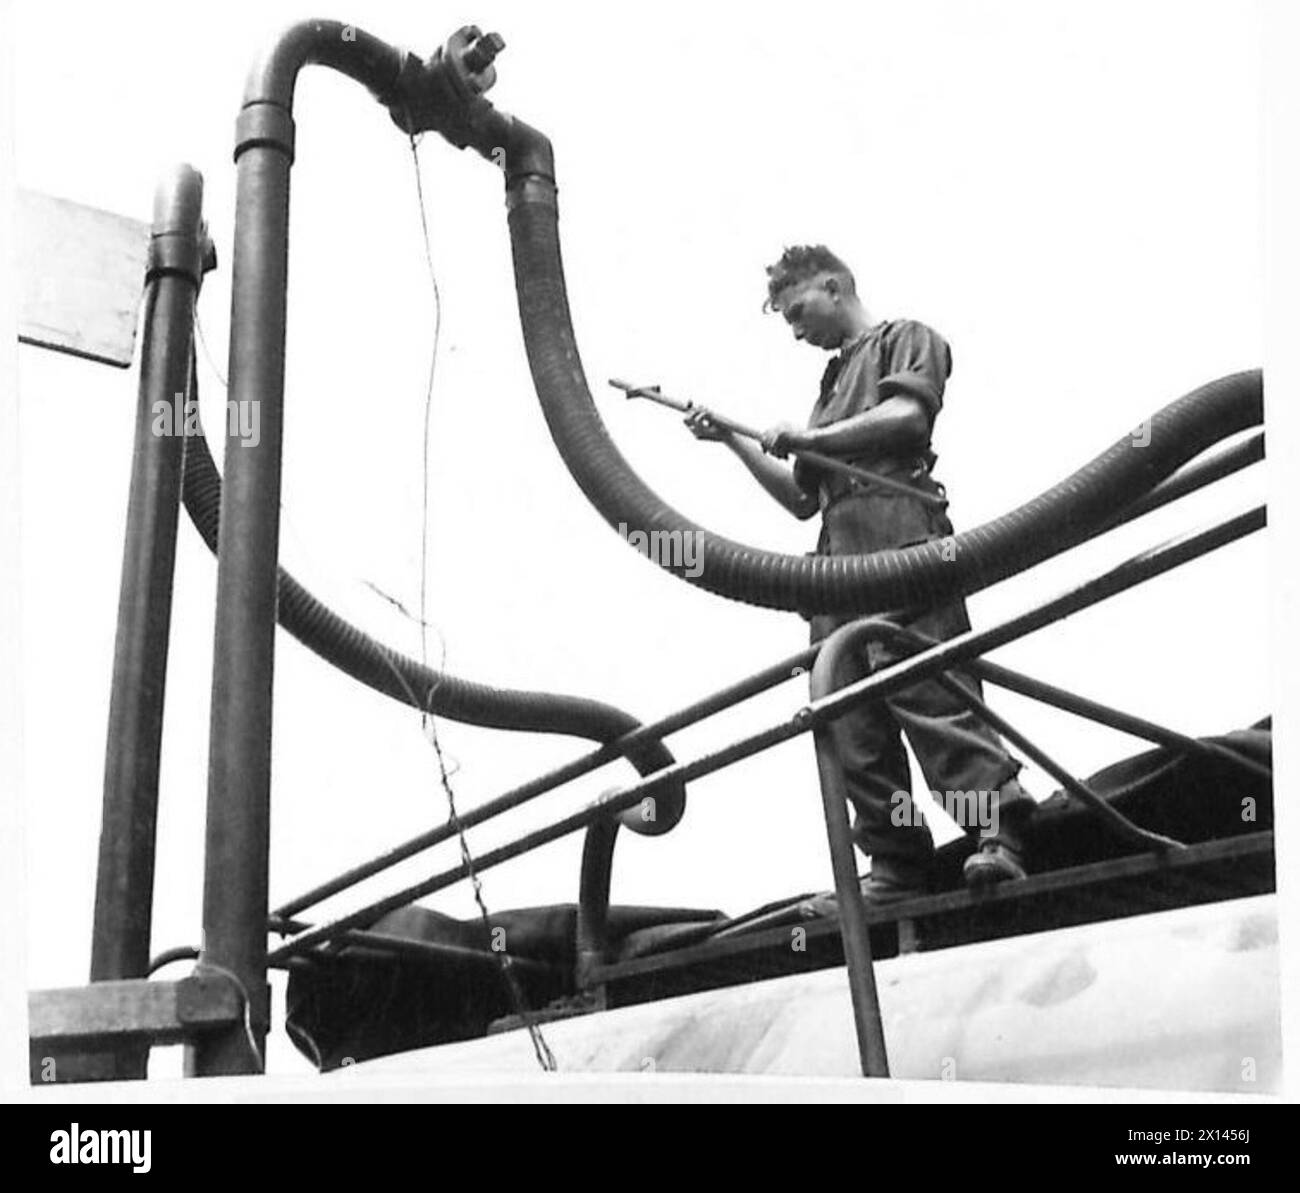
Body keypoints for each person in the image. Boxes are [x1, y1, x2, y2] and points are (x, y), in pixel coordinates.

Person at [686, 244, 1035, 902]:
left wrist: (812, 440)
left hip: (898, 532)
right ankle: (897, 859)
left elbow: (907, 418)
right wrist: (733, 440)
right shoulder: (827, 391)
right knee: (847, 711)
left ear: (833, 284)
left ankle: (999, 833)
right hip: (835, 558)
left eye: (797, 311)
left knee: (927, 687)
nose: (795, 331)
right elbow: (798, 498)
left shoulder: (906, 339)